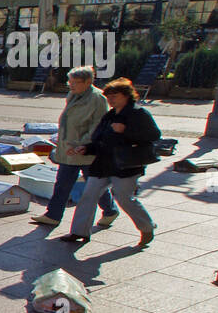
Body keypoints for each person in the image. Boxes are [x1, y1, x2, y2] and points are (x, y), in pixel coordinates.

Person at [60, 78, 160, 247]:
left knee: (124, 198)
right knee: (88, 196)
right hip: (103, 164)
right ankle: (79, 232)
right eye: (109, 96)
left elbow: (153, 136)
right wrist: (86, 148)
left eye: (115, 96)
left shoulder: (138, 113)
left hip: (125, 165)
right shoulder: (110, 115)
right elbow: (100, 140)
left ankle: (147, 227)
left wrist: (126, 131)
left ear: (126, 95)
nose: (111, 99)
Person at [31, 66, 118, 229]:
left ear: (88, 81)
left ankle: (110, 211)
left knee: (95, 185)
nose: (70, 85)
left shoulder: (98, 98)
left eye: (74, 82)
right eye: (69, 81)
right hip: (69, 149)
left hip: (85, 151)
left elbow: (97, 126)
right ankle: (53, 215)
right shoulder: (73, 94)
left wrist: (82, 144)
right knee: (62, 184)